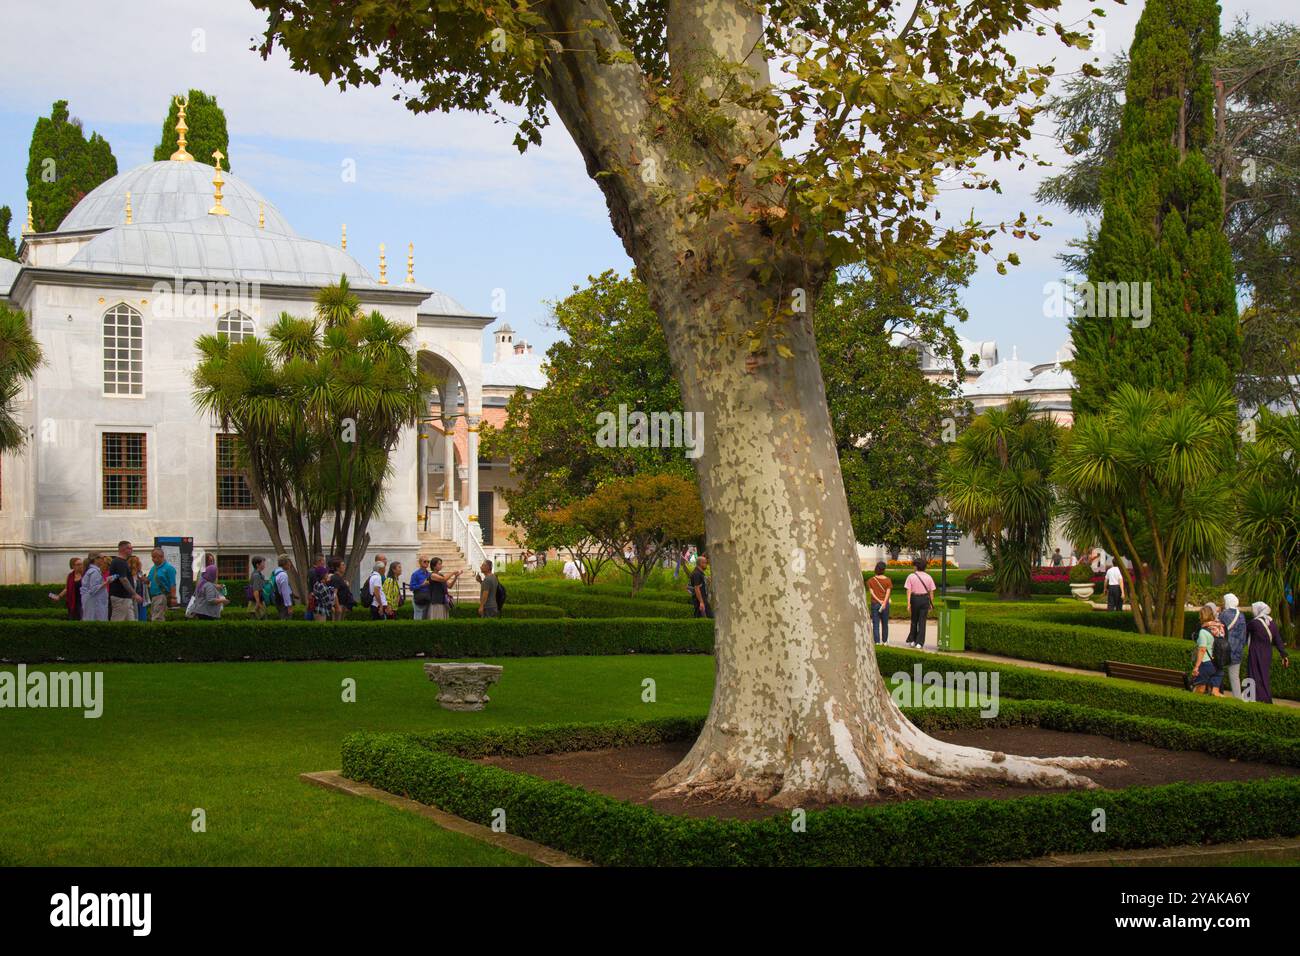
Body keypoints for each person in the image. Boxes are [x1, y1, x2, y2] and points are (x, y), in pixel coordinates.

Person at [1246, 602, 1290, 704]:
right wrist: (1284, 655)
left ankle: (1255, 698)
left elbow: (1244, 631)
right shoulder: (1272, 623)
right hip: (1267, 653)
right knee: (1264, 676)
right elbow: (1278, 640)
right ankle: (1266, 698)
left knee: (1254, 676)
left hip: (1256, 653)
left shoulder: (1254, 623)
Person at [1191, 605, 1225, 697]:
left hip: (1206, 663)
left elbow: (1202, 649)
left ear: (1202, 616)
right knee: (1215, 693)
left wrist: (1196, 667)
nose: (1199, 617)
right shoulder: (1219, 628)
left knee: (1199, 690)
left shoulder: (1203, 632)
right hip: (1218, 664)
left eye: (1200, 615)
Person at [1219, 593, 1248, 699]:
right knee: (1235, 677)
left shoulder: (1224, 614)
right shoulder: (1241, 615)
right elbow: (1244, 636)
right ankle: (1238, 699)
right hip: (1237, 651)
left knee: (1218, 673)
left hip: (1223, 650)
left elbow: (1219, 631)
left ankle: (1218, 694)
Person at [904, 556, 936, 648]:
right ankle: (920, 642)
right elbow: (931, 592)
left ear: (916, 566)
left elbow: (908, 591)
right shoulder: (929, 577)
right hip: (925, 599)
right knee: (922, 622)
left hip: (915, 599)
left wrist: (908, 603)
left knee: (914, 620)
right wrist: (930, 603)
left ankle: (913, 640)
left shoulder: (911, 576)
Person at [107, 540, 143, 622]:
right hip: (120, 597)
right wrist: (134, 594)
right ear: (122, 549)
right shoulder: (120, 562)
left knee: (131, 622)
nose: (131, 550)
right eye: (129, 548)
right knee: (117, 621)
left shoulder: (121, 562)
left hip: (125, 598)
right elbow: (123, 579)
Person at [79, 552, 111, 621]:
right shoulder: (94, 572)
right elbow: (93, 589)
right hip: (94, 603)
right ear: (96, 559)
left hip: (93, 602)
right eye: (102, 558)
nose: (104, 560)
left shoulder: (93, 571)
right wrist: (106, 583)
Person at [867, 561, 891, 645]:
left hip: (875, 603)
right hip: (885, 604)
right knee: (885, 623)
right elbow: (888, 593)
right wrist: (884, 602)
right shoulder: (888, 580)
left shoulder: (871, 580)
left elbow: (872, 593)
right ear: (884, 569)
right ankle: (884, 641)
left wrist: (879, 600)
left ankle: (877, 642)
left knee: (876, 623)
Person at [687, 554, 712, 619]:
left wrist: (708, 581)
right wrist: (701, 602)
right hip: (699, 600)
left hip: (703, 599)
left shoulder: (700, 573)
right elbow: (696, 588)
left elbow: (703, 586)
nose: (706, 565)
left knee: (705, 617)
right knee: (705, 617)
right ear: (701, 563)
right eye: (705, 563)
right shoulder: (696, 574)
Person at [272, 555, 294, 619]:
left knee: (282, 616)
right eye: (289, 562)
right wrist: (289, 606)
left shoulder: (276, 572)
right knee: (286, 619)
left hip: (278, 598)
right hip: (283, 602)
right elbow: (285, 592)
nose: (290, 564)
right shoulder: (283, 575)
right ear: (285, 563)